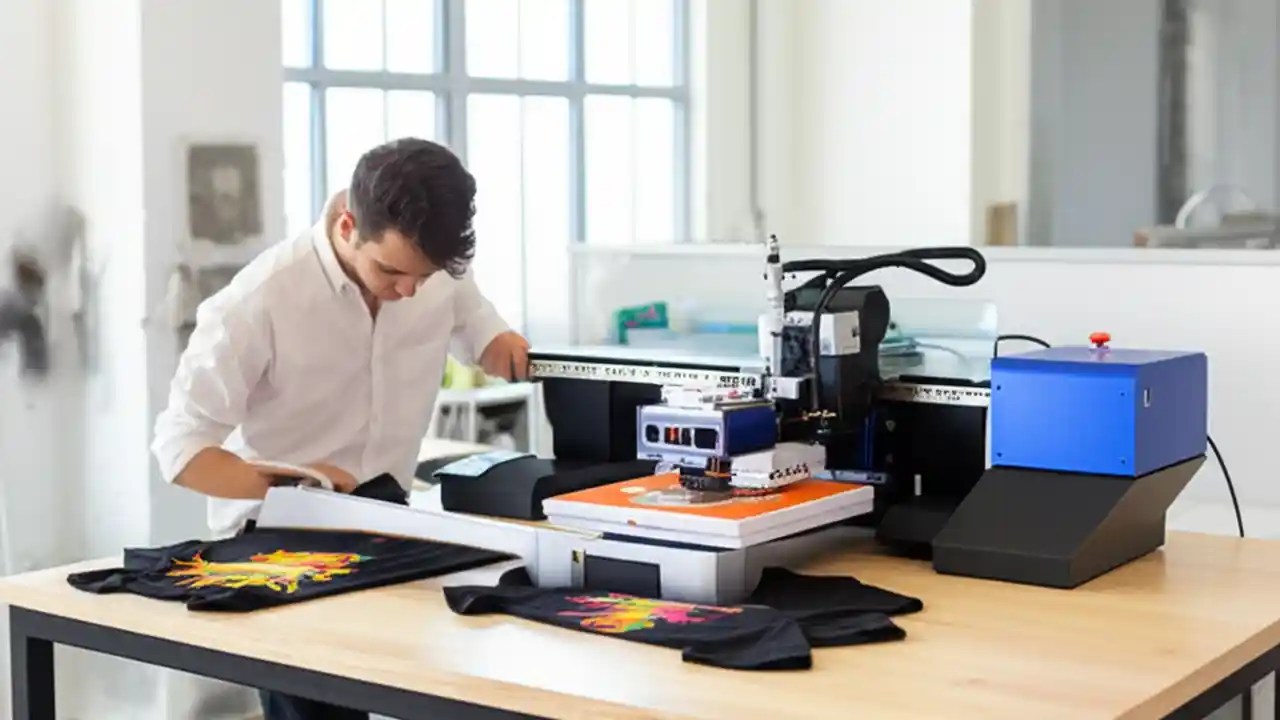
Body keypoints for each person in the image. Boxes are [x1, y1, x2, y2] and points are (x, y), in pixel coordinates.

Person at [151, 137, 530, 720]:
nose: (408, 291)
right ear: (348, 225)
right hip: (275, 536)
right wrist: (293, 482)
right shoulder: (259, 300)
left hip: (386, 522)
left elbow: (479, 328)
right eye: (392, 271)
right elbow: (180, 450)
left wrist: (505, 347)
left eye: (423, 278)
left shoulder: (434, 272)